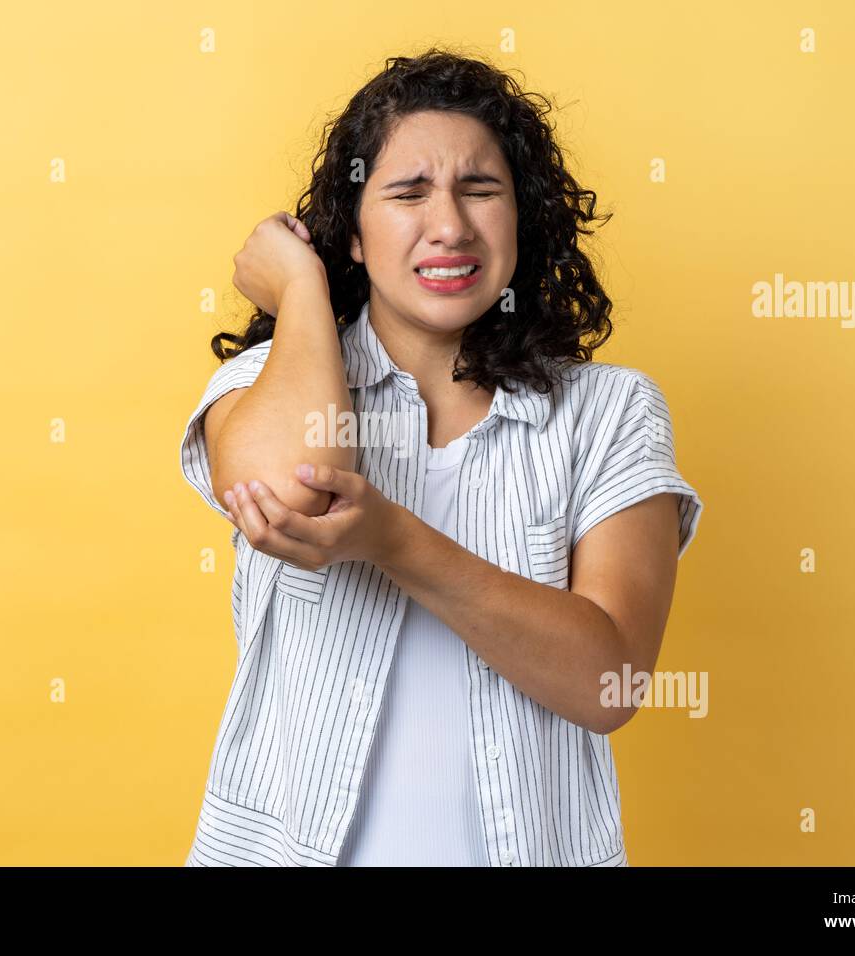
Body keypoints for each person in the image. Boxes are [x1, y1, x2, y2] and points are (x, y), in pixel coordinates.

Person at [179, 47, 703, 866]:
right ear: (351, 232)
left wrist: (394, 540)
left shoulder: (609, 413)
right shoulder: (266, 383)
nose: (450, 225)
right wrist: (304, 292)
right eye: (407, 192)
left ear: (521, 220)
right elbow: (289, 492)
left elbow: (612, 685)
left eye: (481, 190)